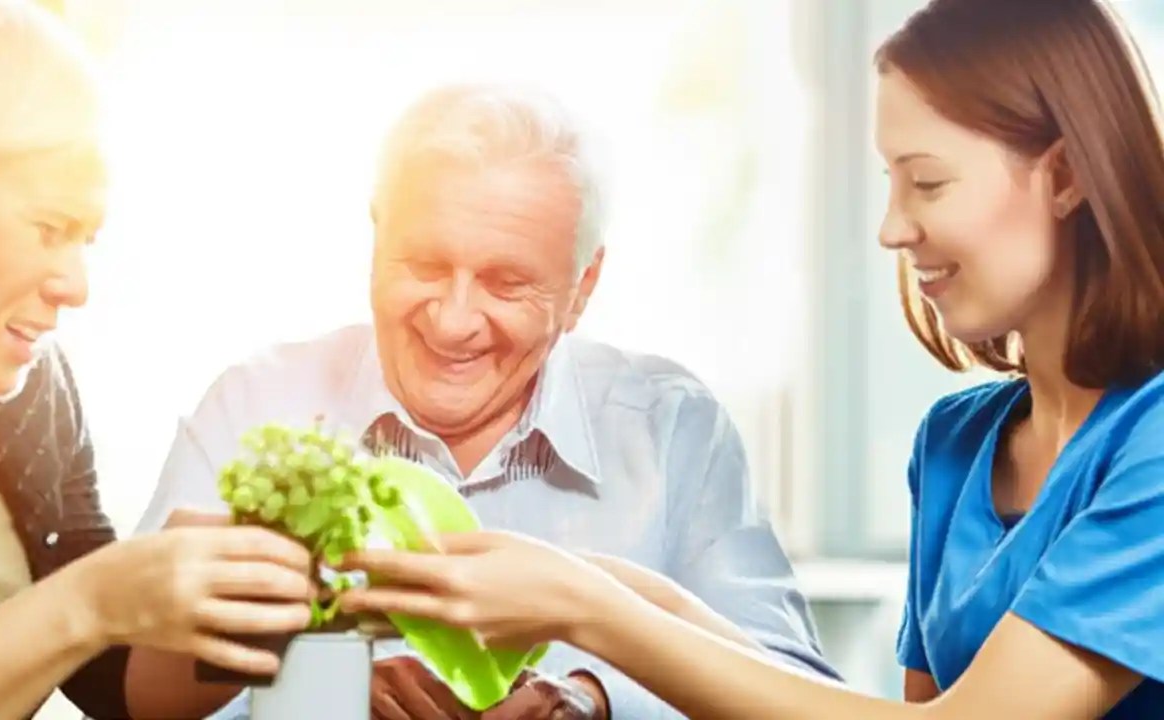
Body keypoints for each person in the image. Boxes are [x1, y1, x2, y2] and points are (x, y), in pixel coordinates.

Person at [336, 0, 1164, 718]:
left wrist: (581, 607)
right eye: (888, 181)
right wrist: (580, 580)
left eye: (928, 183)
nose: (891, 228)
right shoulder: (955, 445)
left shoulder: (1151, 441)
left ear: (1063, 178)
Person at [132, 83, 840, 719]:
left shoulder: (672, 431)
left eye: (505, 283)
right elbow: (140, 697)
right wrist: (325, 696)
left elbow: (789, 689)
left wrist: (597, 701)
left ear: (582, 288)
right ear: (376, 239)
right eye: (425, 265)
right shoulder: (257, 405)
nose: (452, 321)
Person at [0, 3, 320, 719]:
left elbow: (111, 687)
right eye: (48, 228)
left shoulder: (37, 389)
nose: (77, 287)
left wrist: (253, 610)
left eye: (87, 239)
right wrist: (94, 601)